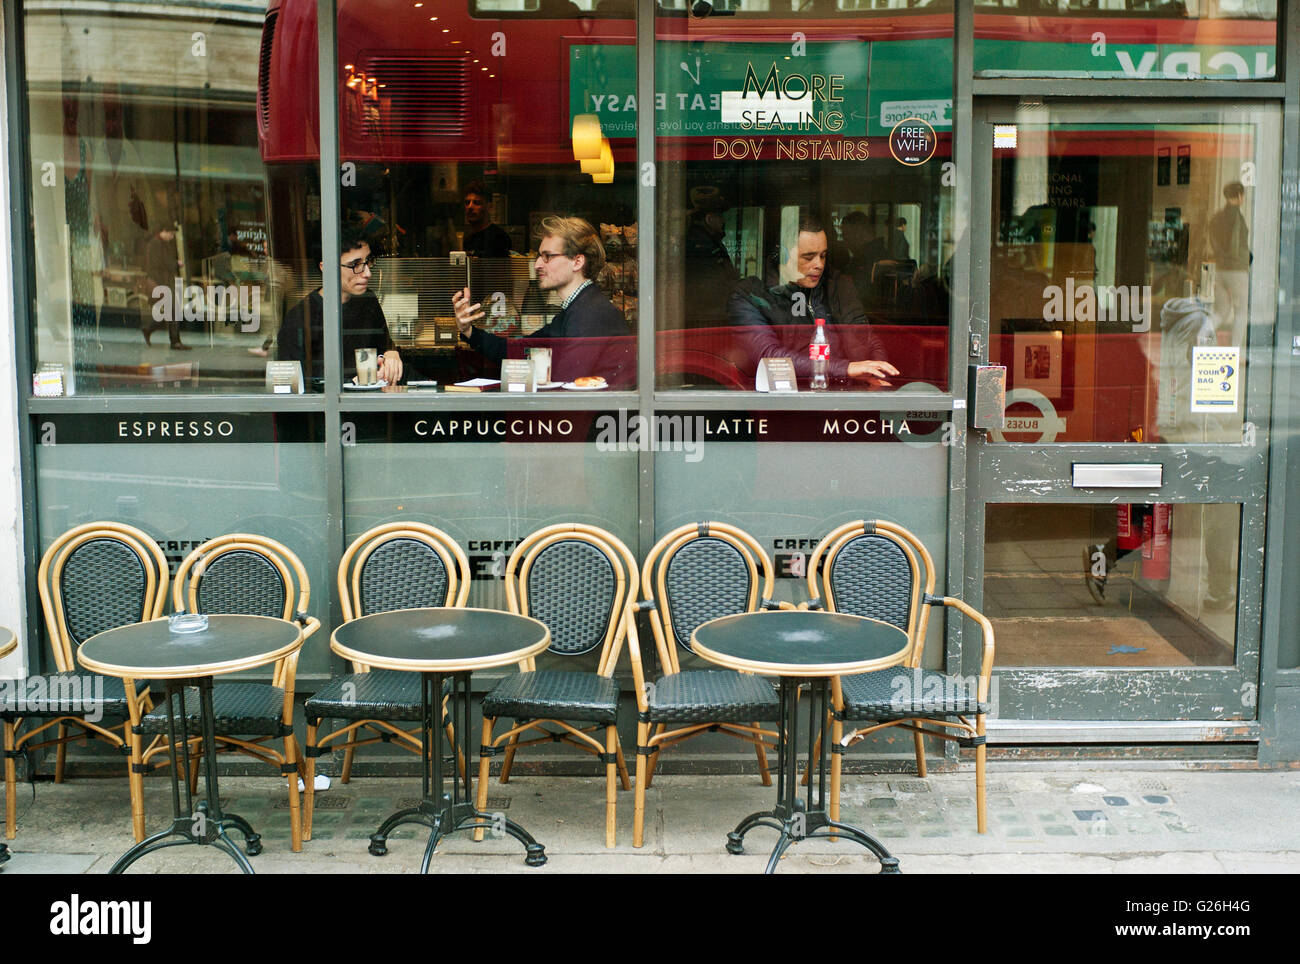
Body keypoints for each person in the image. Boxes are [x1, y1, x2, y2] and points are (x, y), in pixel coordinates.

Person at [726, 215, 899, 385]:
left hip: (847, 395)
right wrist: (846, 369)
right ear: (782, 255)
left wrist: (878, 377)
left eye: (823, 256)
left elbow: (868, 339)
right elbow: (770, 356)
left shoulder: (837, 286)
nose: (819, 264)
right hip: (789, 401)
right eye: (808, 257)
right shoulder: (751, 296)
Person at [453, 215, 629, 364]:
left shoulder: (589, 315)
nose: (537, 264)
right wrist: (468, 330)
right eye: (539, 256)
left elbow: (574, 393)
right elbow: (521, 349)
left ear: (577, 261)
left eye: (548, 256)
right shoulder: (579, 307)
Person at [277, 226, 403, 385]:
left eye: (367, 262)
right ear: (326, 268)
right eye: (355, 265)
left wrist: (390, 353)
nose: (367, 273)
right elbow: (291, 386)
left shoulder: (368, 300)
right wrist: (352, 385)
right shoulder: (300, 317)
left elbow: (382, 345)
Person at [1208, 181, 1251, 348]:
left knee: (1221, 311)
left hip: (1220, 270)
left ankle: (1201, 334)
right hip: (1237, 272)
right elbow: (1236, 247)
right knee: (1241, 312)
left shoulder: (1216, 217)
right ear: (1239, 196)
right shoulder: (1238, 218)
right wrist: (1246, 258)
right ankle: (1234, 350)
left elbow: (1213, 241)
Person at [142, 224, 190, 350]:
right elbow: (160, 262)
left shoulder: (160, 243)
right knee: (173, 311)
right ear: (164, 231)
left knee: (171, 312)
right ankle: (174, 342)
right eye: (171, 234)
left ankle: (150, 330)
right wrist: (175, 263)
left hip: (162, 283)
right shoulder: (156, 244)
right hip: (159, 283)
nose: (172, 237)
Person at [461, 180, 512, 258]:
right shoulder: (468, 240)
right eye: (467, 203)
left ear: (489, 207)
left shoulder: (499, 237)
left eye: (476, 203)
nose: (470, 207)